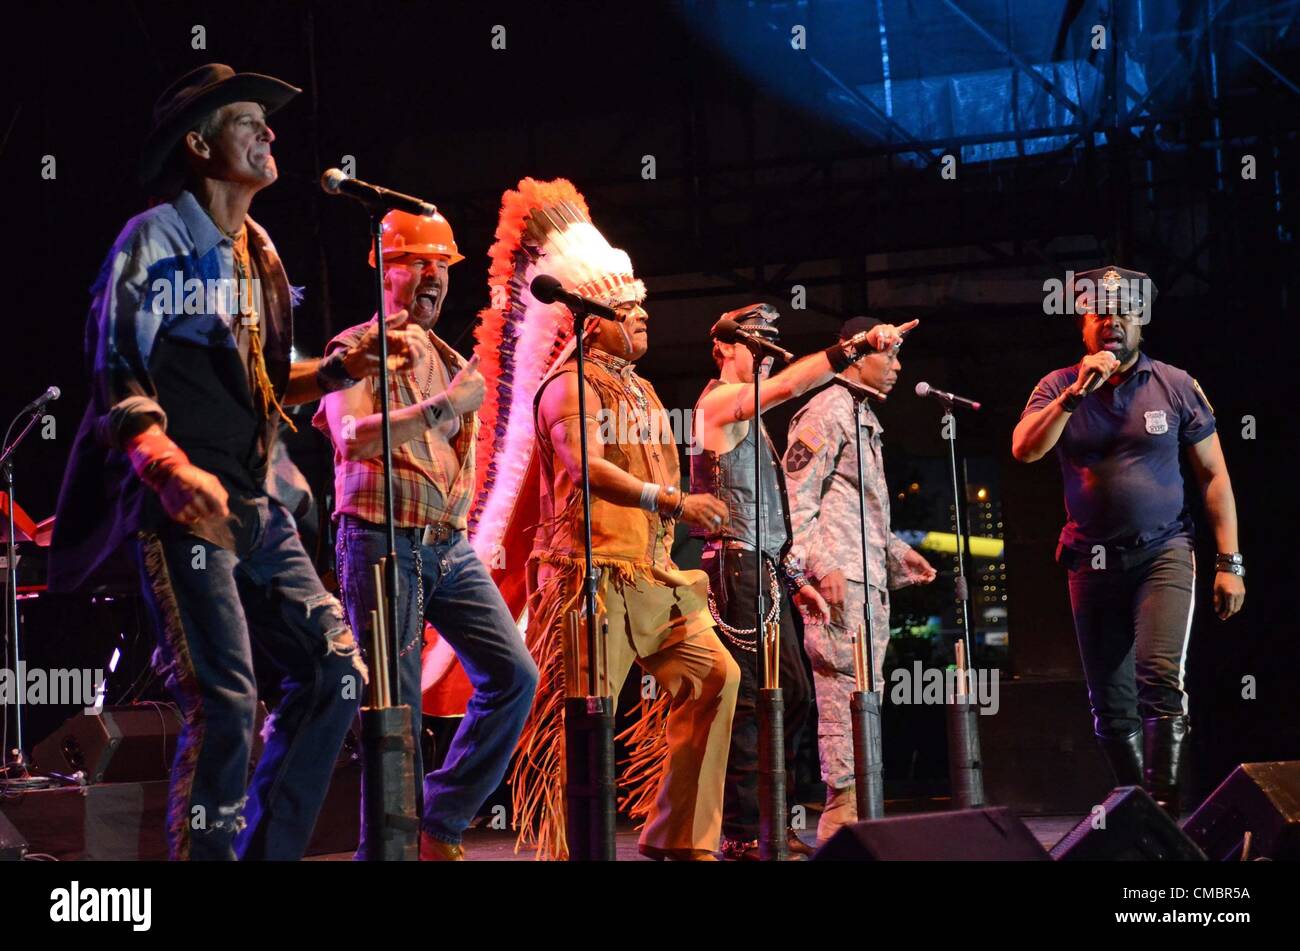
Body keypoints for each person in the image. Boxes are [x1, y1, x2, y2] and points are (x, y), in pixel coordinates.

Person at [49, 64, 419, 860]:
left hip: (257, 500)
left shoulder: (260, 251)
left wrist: (338, 372)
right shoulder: (153, 240)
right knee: (225, 700)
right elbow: (119, 376)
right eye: (248, 120)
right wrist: (170, 468)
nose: (270, 132)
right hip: (181, 504)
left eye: (267, 120)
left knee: (336, 674)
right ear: (198, 142)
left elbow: (254, 379)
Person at [492, 177, 738, 860]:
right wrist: (672, 503)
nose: (643, 318)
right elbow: (586, 467)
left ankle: (681, 836)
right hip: (588, 581)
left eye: (643, 308)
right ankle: (567, 849)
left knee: (717, 676)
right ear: (590, 318)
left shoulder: (647, 388)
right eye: (628, 310)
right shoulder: (567, 386)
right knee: (581, 724)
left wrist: (690, 508)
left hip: (653, 578)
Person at [315, 209, 538, 861]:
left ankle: (437, 822)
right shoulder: (352, 347)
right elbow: (352, 434)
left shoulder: (450, 360)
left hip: (446, 543)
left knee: (512, 674)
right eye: (419, 261)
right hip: (381, 538)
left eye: (443, 264)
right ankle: (388, 851)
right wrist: (441, 409)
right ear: (388, 269)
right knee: (397, 712)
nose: (435, 275)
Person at [1012, 266, 1244, 817]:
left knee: (1160, 680)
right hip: (1089, 561)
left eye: (1124, 311)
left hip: (1163, 551)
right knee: (1110, 707)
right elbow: (1025, 450)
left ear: (1141, 320)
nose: (1111, 322)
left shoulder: (1175, 384)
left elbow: (1214, 476)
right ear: (1082, 324)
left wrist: (1230, 560)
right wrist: (1074, 394)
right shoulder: (1056, 385)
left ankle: (1163, 814)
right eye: (1098, 312)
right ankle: (1137, 808)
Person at [691, 304, 913, 859]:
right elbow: (794, 393)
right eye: (754, 345)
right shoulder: (722, 402)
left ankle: (766, 823)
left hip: (763, 566)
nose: (765, 355)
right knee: (752, 700)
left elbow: (775, 514)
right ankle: (744, 832)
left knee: (784, 694)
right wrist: (853, 349)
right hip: (734, 564)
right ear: (723, 348)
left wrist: (794, 579)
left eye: (771, 344)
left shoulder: (753, 420)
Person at [783, 316, 937, 844]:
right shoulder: (825, 411)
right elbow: (795, 505)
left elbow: (861, 513)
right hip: (836, 583)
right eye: (888, 356)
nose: (896, 367)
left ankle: (863, 810)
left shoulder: (864, 416)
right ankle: (841, 813)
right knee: (841, 691)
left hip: (866, 582)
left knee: (866, 694)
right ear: (857, 355)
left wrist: (898, 555)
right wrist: (818, 567)